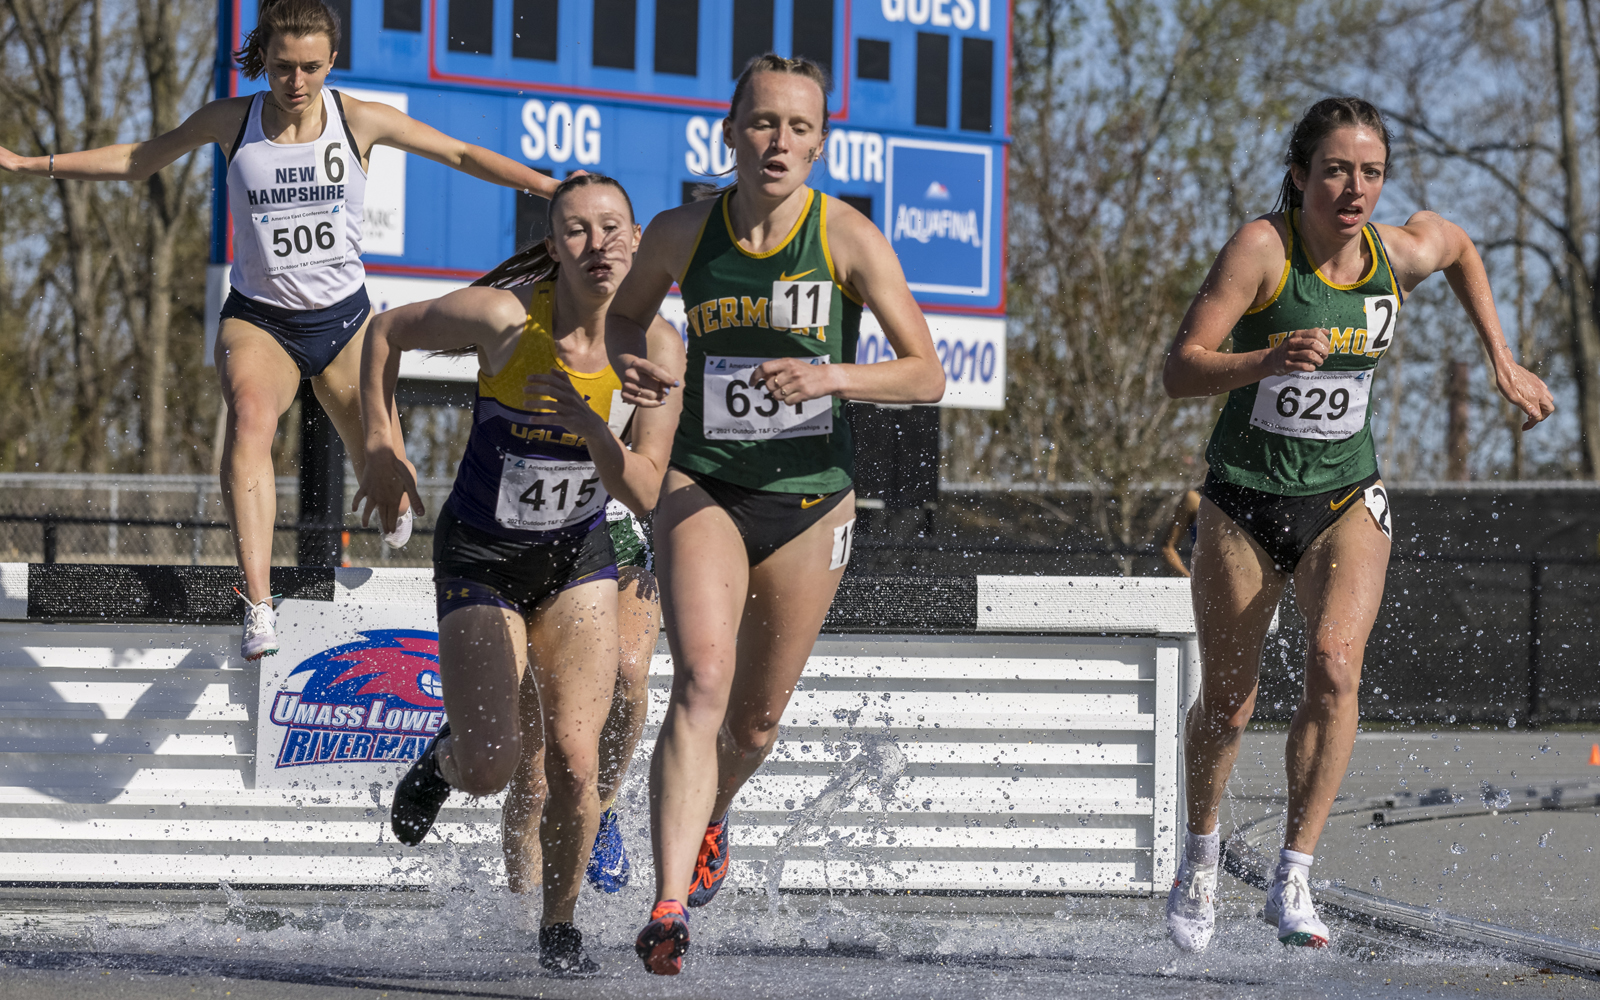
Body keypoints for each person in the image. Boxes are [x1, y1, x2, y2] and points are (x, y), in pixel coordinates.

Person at [0, 0, 562, 661]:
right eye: (282, 66)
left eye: (310, 68)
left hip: (348, 324)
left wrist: (555, 190)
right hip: (260, 323)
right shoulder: (232, 121)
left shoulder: (359, 120)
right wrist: (24, 165)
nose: (295, 83)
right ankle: (258, 603)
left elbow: (461, 152)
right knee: (249, 419)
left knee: (389, 481)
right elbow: (138, 160)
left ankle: (390, 491)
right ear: (262, 56)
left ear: (332, 62)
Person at [1161, 97, 1554, 952]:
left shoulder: (1393, 253)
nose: (1355, 188)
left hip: (1345, 495)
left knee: (1335, 667)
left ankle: (1293, 876)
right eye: (1336, 169)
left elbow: (1457, 246)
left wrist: (1500, 355)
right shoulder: (1262, 250)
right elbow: (1179, 369)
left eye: (1371, 172)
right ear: (1300, 174)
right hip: (1245, 498)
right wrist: (1265, 358)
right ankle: (1198, 857)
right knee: (1229, 704)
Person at [604, 54, 945, 976]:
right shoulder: (681, 232)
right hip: (704, 485)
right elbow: (623, 321)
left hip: (810, 504)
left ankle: (714, 814)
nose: (778, 142)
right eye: (761, 123)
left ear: (821, 143)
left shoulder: (848, 238)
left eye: (798, 128)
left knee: (752, 725)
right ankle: (668, 906)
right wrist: (638, 360)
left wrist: (831, 373)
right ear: (729, 132)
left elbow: (927, 372)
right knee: (702, 684)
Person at [352, 173, 683, 974]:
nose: (598, 244)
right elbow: (384, 332)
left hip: (577, 557)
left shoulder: (659, 348)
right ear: (553, 249)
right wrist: (380, 445)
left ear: (637, 243)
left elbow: (643, 488)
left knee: (575, 758)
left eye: (613, 228)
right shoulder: (504, 320)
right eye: (577, 230)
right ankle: (442, 761)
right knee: (495, 768)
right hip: (483, 557)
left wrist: (590, 427)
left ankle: (560, 927)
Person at [1159, 489, 1202, 577]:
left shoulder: (1237, 497)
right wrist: (1187, 579)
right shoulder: (1194, 498)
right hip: (1206, 580)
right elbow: (1167, 547)